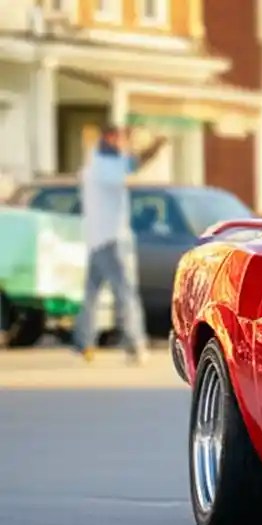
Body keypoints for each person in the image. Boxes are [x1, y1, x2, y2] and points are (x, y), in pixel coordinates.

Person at [74, 124, 165, 364]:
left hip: (96, 238)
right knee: (125, 293)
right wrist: (154, 147)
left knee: (92, 293)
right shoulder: (104, 166)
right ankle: (135, 345)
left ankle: (84, 343)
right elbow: (133, 166)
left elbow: (129, 163)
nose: (123, 144)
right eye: (120, 140)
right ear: (111, 138)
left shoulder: (93, 164)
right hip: (112, 239)